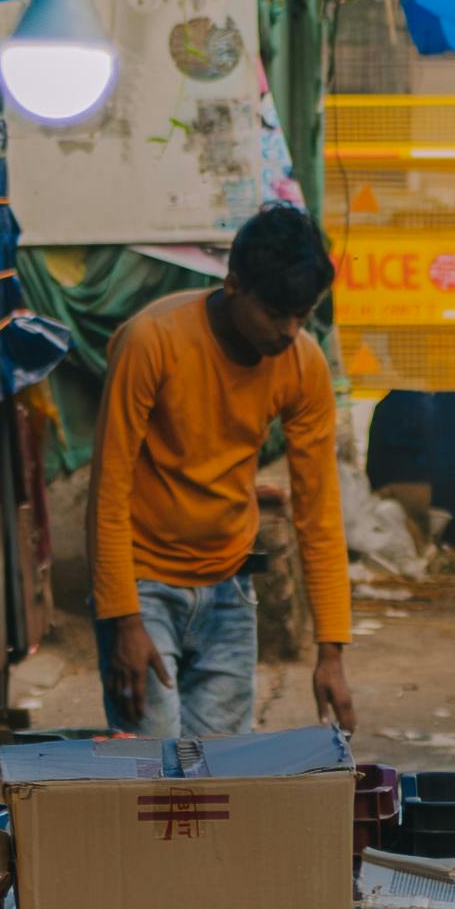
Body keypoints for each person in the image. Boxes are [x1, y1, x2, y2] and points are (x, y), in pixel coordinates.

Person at [95, 202, 360, 737]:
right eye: (275, 313)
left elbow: (319, 513)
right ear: (235, 285)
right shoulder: (152, 341)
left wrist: (331, 651)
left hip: (230, 590)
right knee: (149, 776)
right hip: (145, 586)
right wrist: (124, 621)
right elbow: (109, 488)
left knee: (221, 784)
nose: (288, 331)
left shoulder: (304, 365)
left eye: (302, 315)